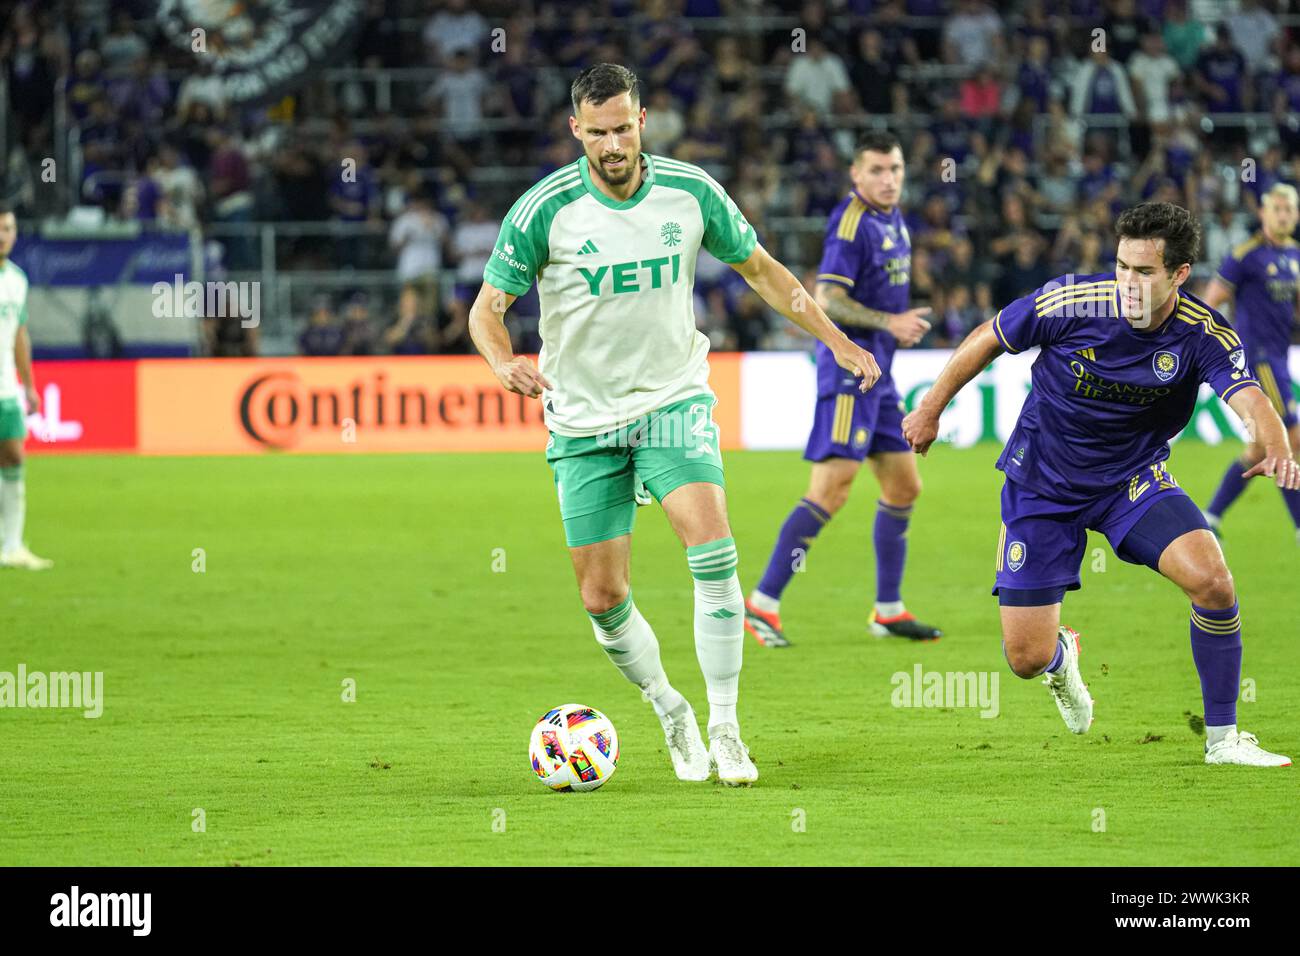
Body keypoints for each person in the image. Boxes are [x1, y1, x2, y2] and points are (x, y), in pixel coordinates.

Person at [468, 64, 880, 786]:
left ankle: (725, 726)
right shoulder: (545, 210)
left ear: (643, 120)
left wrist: (838, 340)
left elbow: (763, 270)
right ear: (576, 131)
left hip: (671, 402)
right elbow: (487, 309)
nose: (613, 143)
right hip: (584, 419)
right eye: (597, 132)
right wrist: (503, 362)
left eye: (623, 127)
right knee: (601, 598)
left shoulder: (690, 192)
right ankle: (669, 708)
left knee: (713, 551)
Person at [902, 201, 1296, 766]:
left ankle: (1223, 739)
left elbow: (1248, 397)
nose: (1127, 283)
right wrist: (931, 409)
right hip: (1042, 481)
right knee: (1024, 658)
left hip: (1130, 483)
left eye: (1144, 272)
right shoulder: (1069, 301)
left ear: (1179, 275)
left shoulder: (1201, 331)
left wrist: (1276, 442)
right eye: (1121, 267)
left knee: (1214, 584)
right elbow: (988, 338)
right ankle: (1061, 659)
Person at [745, 131, 942, 648]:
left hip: (881, 375)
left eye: (895, 169)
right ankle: (762, 604)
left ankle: (889, 610)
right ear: (856, 175)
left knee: (904, 486)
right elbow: (827, 298)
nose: (889, 179)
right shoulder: (851, 222)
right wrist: (890, 322)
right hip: (851, 372)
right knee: (830, 491)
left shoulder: (893, 218)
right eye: (877, 170)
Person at [1201, 183, 1300, 542]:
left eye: (1289, 209)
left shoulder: (1295, 256)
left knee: (1259, 449)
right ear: (1263, 213)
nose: (1284, 214)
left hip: (1280, 357)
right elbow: (1211, 302)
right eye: (1277, 208)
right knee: (1291, 436)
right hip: (1257, 359)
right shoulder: (1245, 256)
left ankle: (1210, 515)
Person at [0, 204, 52, 569]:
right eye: (0, 228)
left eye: (9, 228)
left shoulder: (17, 279)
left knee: (15, 456)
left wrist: (29, 385)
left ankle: (13, 545)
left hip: (5, 386)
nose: (4, 235)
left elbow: (19, 335)